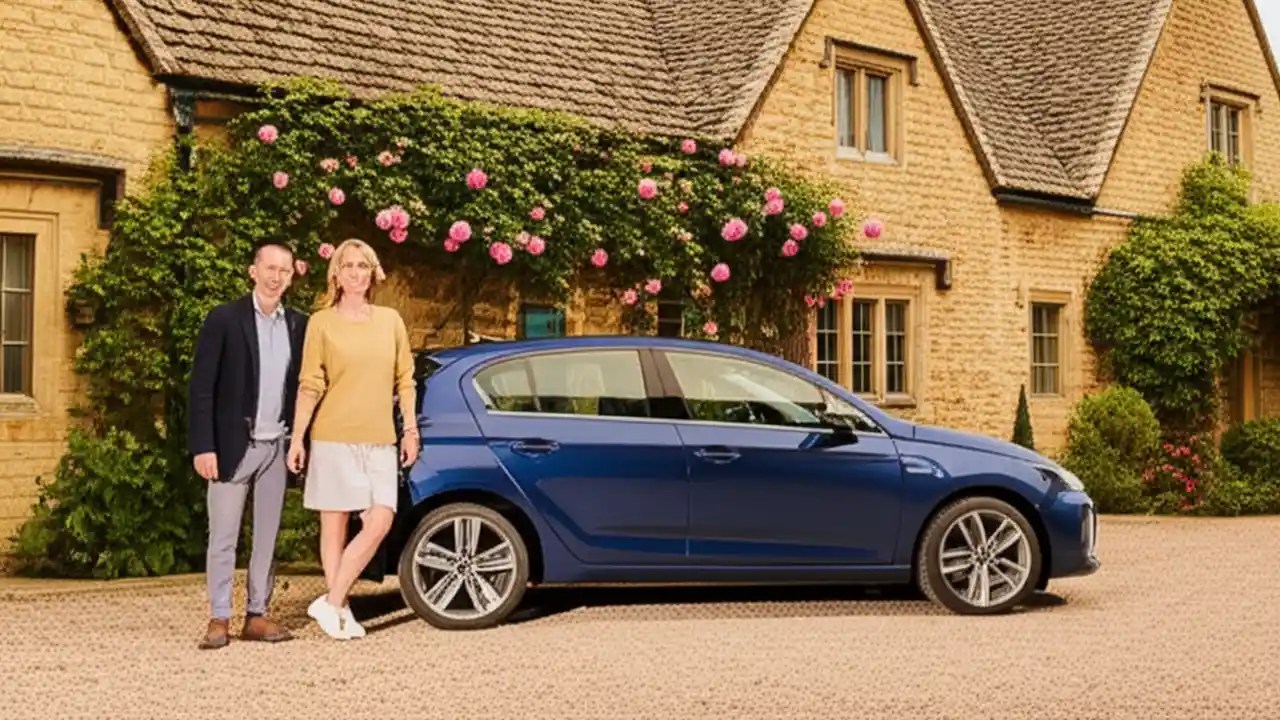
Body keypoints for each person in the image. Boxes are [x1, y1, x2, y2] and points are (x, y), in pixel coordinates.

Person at [287, 238, 418, 640]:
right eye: (349, 266)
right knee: (335, 522)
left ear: (373, 272)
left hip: (380, 438)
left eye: (364, 265)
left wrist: (410, 429)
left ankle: (330, 601)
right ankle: (340, 610)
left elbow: (405, 381)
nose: (357, 273)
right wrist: (297, 439)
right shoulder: (321, 323)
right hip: (332, 436)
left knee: (380, 520)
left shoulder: (390, 320)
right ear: (336, 275)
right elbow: (310, 383)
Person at [187, 240, 309, 650]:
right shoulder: (224, 319)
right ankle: (219, 616)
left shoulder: (298, 325)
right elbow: (202, 388)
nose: (276, 277)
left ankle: (257, 614)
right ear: (252, 271)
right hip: (231, 446)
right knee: (223, 536)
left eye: (285, 271)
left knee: (267, 536)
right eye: (269, 268)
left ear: (292, 276)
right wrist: (203, 446)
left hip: (278, 448)